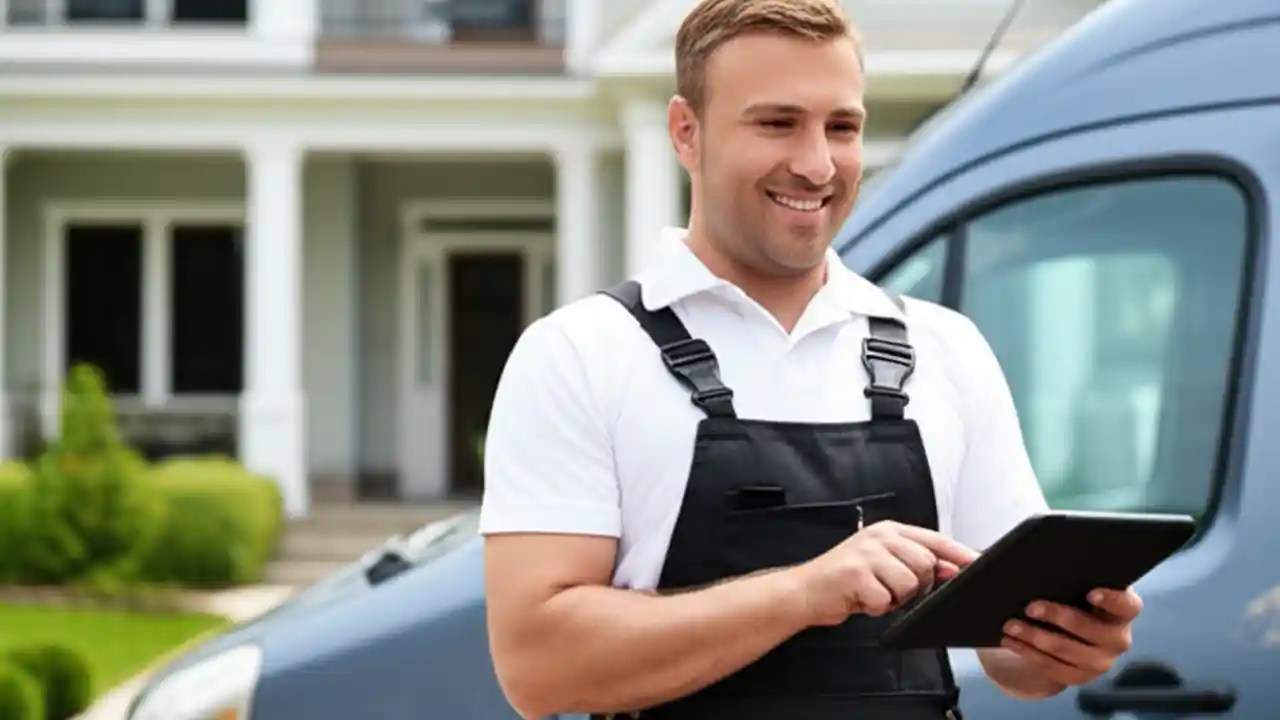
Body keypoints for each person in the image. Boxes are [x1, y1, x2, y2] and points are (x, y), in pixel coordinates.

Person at [479, 0, 1143, 717]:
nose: (817, 164)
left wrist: (1062, 644)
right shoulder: (581, 355)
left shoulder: (946, 349)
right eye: (777, 123)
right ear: (685, 131)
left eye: (843, 128)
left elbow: (1012, 657)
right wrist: (804, 594)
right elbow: (538, 667)